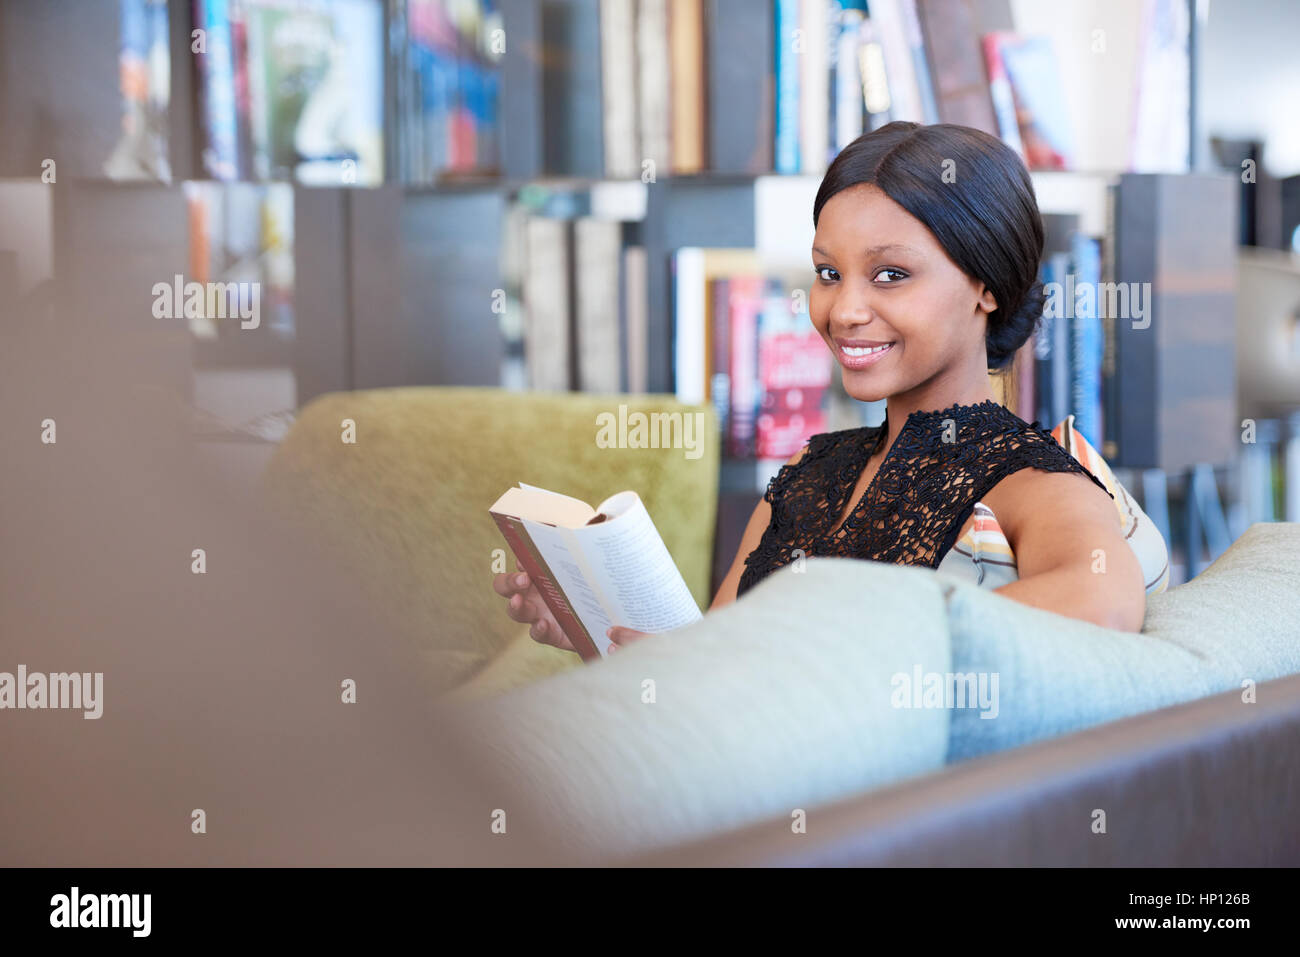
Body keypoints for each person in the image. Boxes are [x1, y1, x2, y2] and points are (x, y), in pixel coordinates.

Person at [495, 121, 1148, 653]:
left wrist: (829, 656)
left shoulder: (1027, 477)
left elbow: (1104, 599)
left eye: (890, 274)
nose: (844, 311)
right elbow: (717, 659)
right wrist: (598, 629)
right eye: (829, 273)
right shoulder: (814, 468)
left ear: (987, 287)